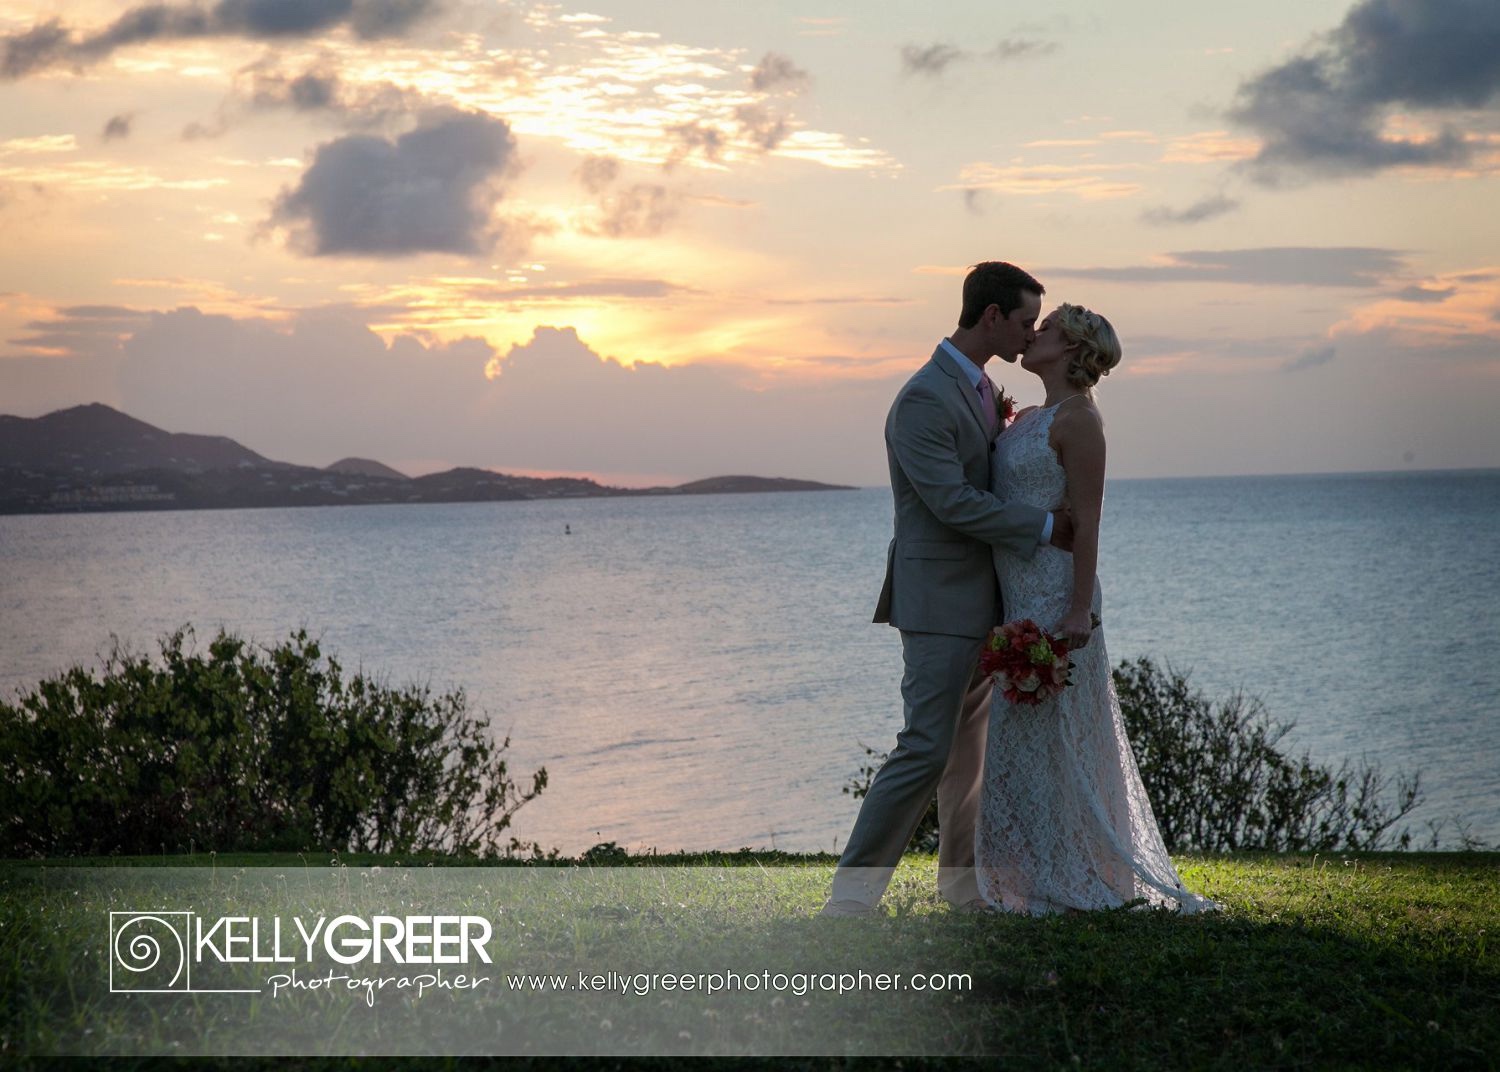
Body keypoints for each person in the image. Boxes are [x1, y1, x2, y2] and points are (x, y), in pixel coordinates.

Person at [822, 262, 1073, 916]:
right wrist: (1047, 527)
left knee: (968, 759)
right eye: (1024, 321)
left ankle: (962, 890)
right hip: (937, 603)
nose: (1030, 334)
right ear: (991, 316)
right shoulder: (924, 398)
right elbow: (952, 502)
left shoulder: (981, 388)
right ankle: (849, 900)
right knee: (925, 749)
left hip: (984, 602)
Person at [975, 303, 1213, 914]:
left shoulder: (1080, 420)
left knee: (1061, 737)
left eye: (1047, 328)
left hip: (1056, 595)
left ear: (1072, 348)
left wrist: (1079, 608)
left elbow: (1088, 521)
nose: (1034, 334)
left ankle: (1077, 871)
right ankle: (1031, 872)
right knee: (1024, 743)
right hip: (1016, 592)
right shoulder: (1031, 416)